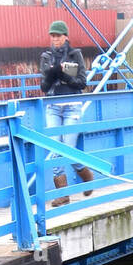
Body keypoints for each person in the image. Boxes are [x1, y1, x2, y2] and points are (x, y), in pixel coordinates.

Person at [39, 20, 94, 206]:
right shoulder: (46, 56)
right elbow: (44, 86)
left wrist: (62, 74)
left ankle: (87, 176)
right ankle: (63, 194)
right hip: (53, 107)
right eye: (52, 36)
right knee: (55, 149)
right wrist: (55, 71)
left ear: (65, 37)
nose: (55, 39)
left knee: (68, 150)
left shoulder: (74, 54)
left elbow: (81, 82)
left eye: (58, 36)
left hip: (72, 106)